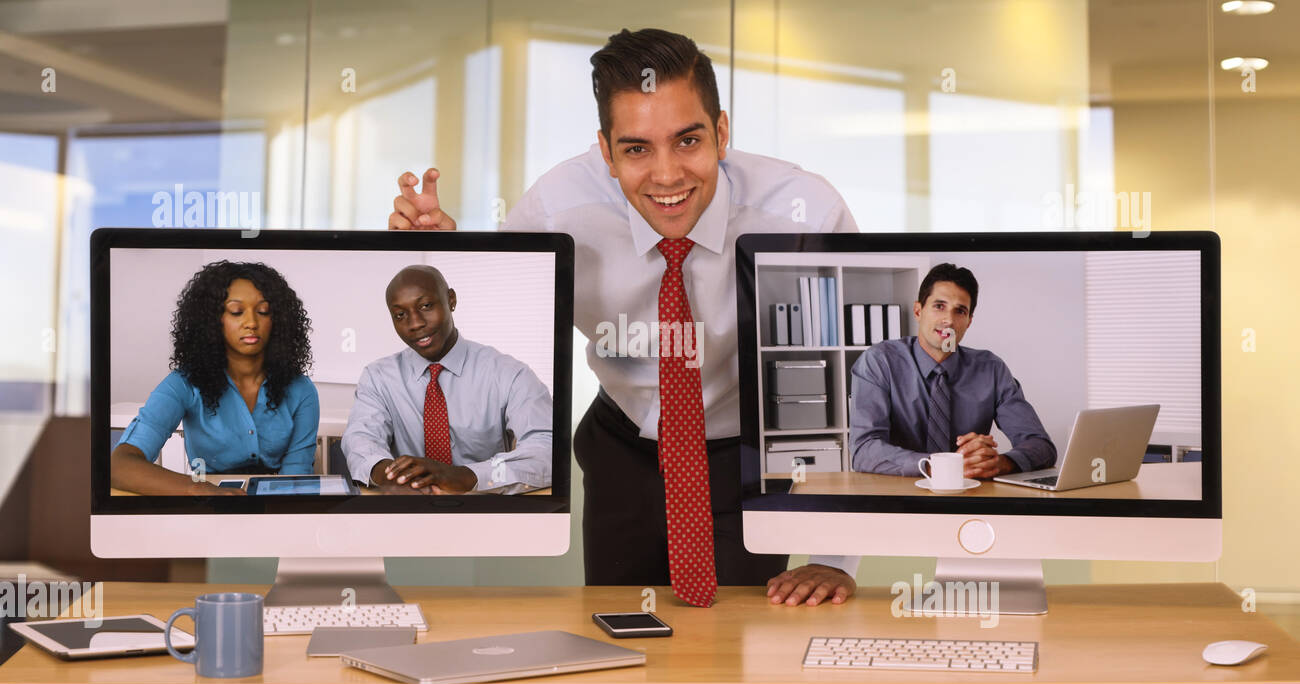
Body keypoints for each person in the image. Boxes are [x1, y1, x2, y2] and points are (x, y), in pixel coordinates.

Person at [387, 28, 858, 607]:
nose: (667, 176)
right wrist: (446, 249)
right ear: (606, 152)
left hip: (751, 453)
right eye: (637, 149)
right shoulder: (559, 208)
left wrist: (832, 557)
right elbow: (500, 309)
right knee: (622, 632)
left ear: (723, 132)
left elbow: (853, 387)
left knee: (742, 639)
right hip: (623, 444)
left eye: (688, 140)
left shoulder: (804, 216)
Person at [111, 261, 320, 495]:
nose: (251, 323)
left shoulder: (301, 390)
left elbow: (295, 478)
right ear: (212, 320)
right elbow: (119, 466)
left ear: (278, 320)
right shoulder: (184, 384)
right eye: (236, 312)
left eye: (263, 311)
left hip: (274, 509)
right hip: (207, 507)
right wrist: (199, 491)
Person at [340, 265, 552, 495]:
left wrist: (465, 476)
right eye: (400, 315)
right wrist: (389, 476)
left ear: (451, 300)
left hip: (485, 512)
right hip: (408, 510)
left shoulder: (509, 373)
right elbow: (360, 439)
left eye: (426, 306)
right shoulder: (378, 377)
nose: (415, 324)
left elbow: (547, 448)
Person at [849, 263, 1057, 478]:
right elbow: (864, 450)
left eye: (960, 311)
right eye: (939, 306)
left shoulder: (991, 369)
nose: (949, 320)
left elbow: (1041, 446)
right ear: (918, 311)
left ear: (968, 322)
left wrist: (999, 463)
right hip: (899, 496)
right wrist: (938, 466)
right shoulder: (880, 362)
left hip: (969, 496)